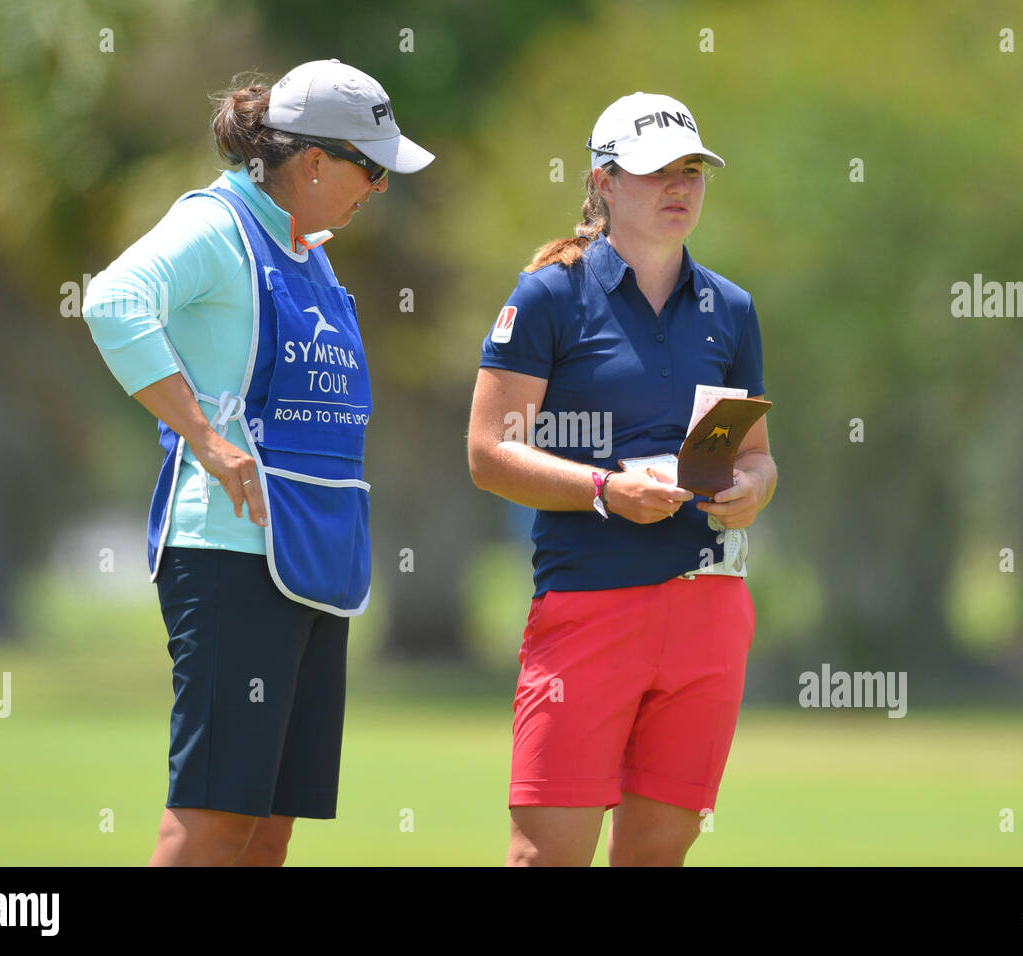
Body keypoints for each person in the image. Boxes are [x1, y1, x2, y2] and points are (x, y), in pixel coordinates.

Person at [82, 60, 433, 866]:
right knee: (212, 821)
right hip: (230, 556)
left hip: (309, 562)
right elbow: (114, 301)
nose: (379, 188)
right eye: (370, 168)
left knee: (268, 827)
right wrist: (204, 438)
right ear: (314, 161)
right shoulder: (218, 226)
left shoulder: (309, 250)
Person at [467, 92, 777, 867]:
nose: (680, 186)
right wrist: (605, 491)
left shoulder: (731, 309)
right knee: (546, 855)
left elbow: (757, 453)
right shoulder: (548, 295)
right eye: (654, 172)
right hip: (589, 605)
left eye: (692, 171)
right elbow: (488, 452)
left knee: (658, 853)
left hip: (710, 609)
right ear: (603, 182)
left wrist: (753, 488)